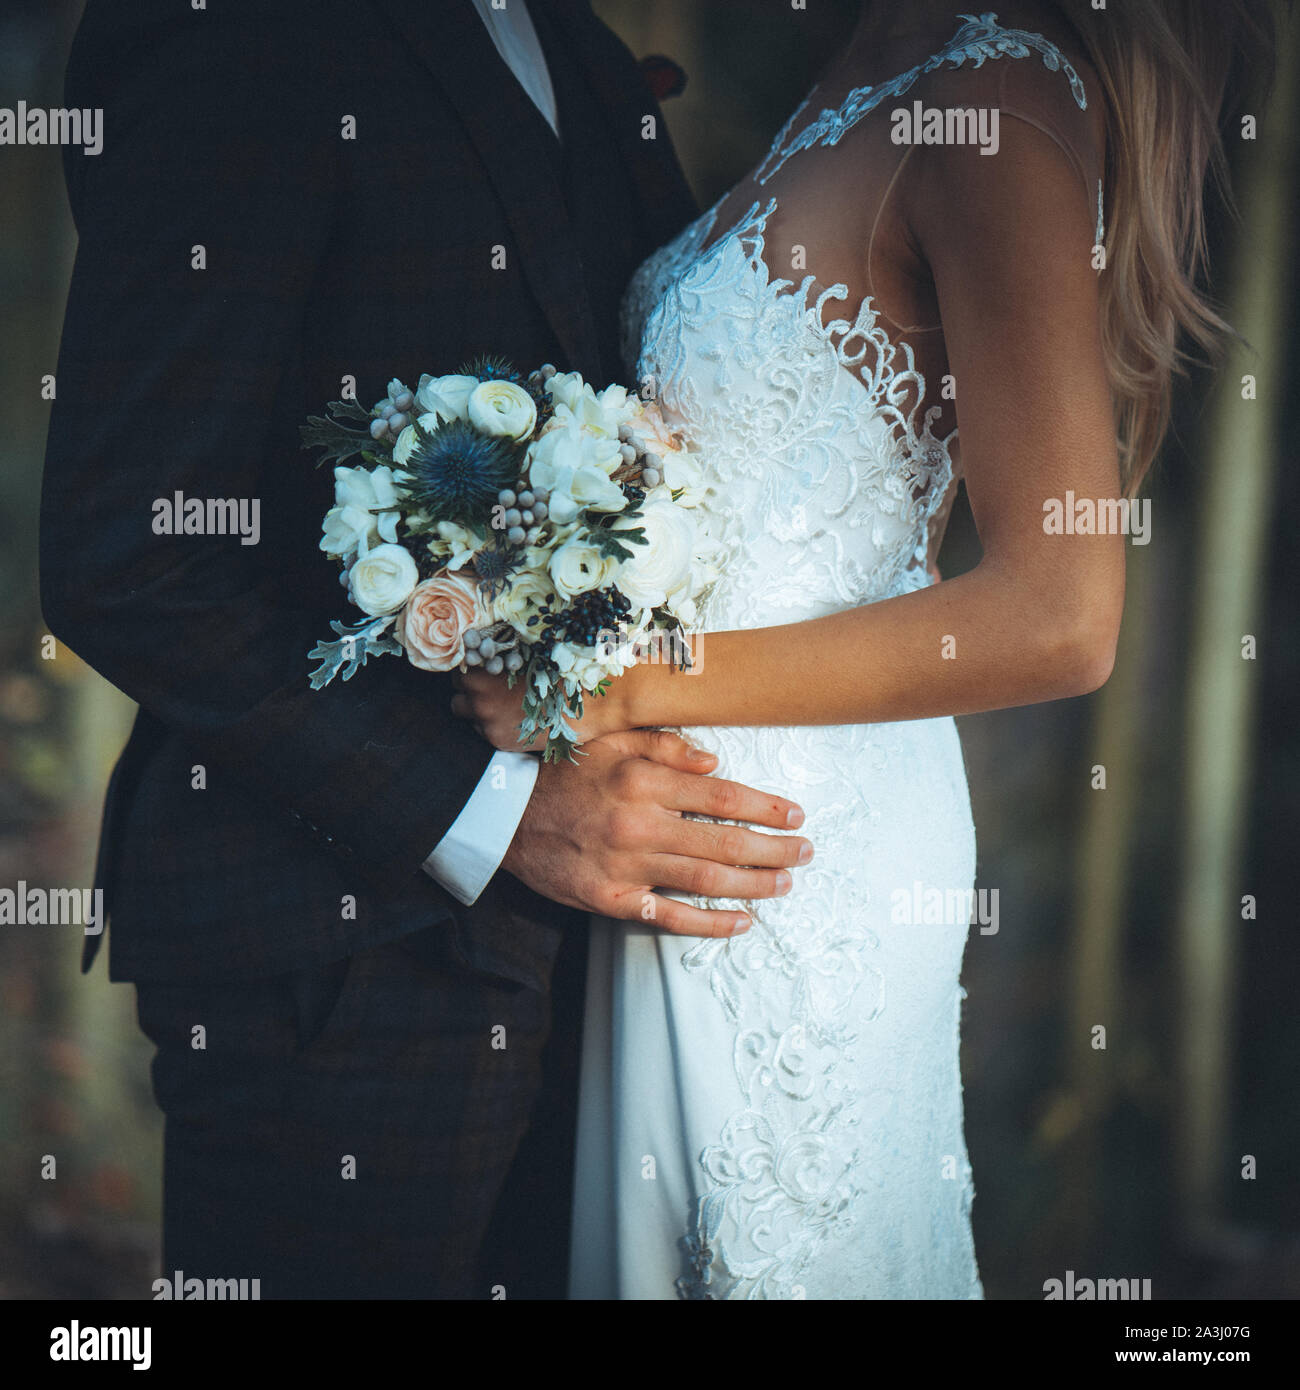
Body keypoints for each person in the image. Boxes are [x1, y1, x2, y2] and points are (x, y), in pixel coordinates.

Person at [453, 0, 1279, 1298]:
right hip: (681, 831)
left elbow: (1061, 614)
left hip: (793, 855)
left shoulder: (999, 95)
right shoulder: (871, 59)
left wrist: (628, 683)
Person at [39, 0, 811, 1299]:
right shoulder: (236, 36)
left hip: (620, 966)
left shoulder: (577, 50)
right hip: (333, 978)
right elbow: (133, 553)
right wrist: (502, 811)